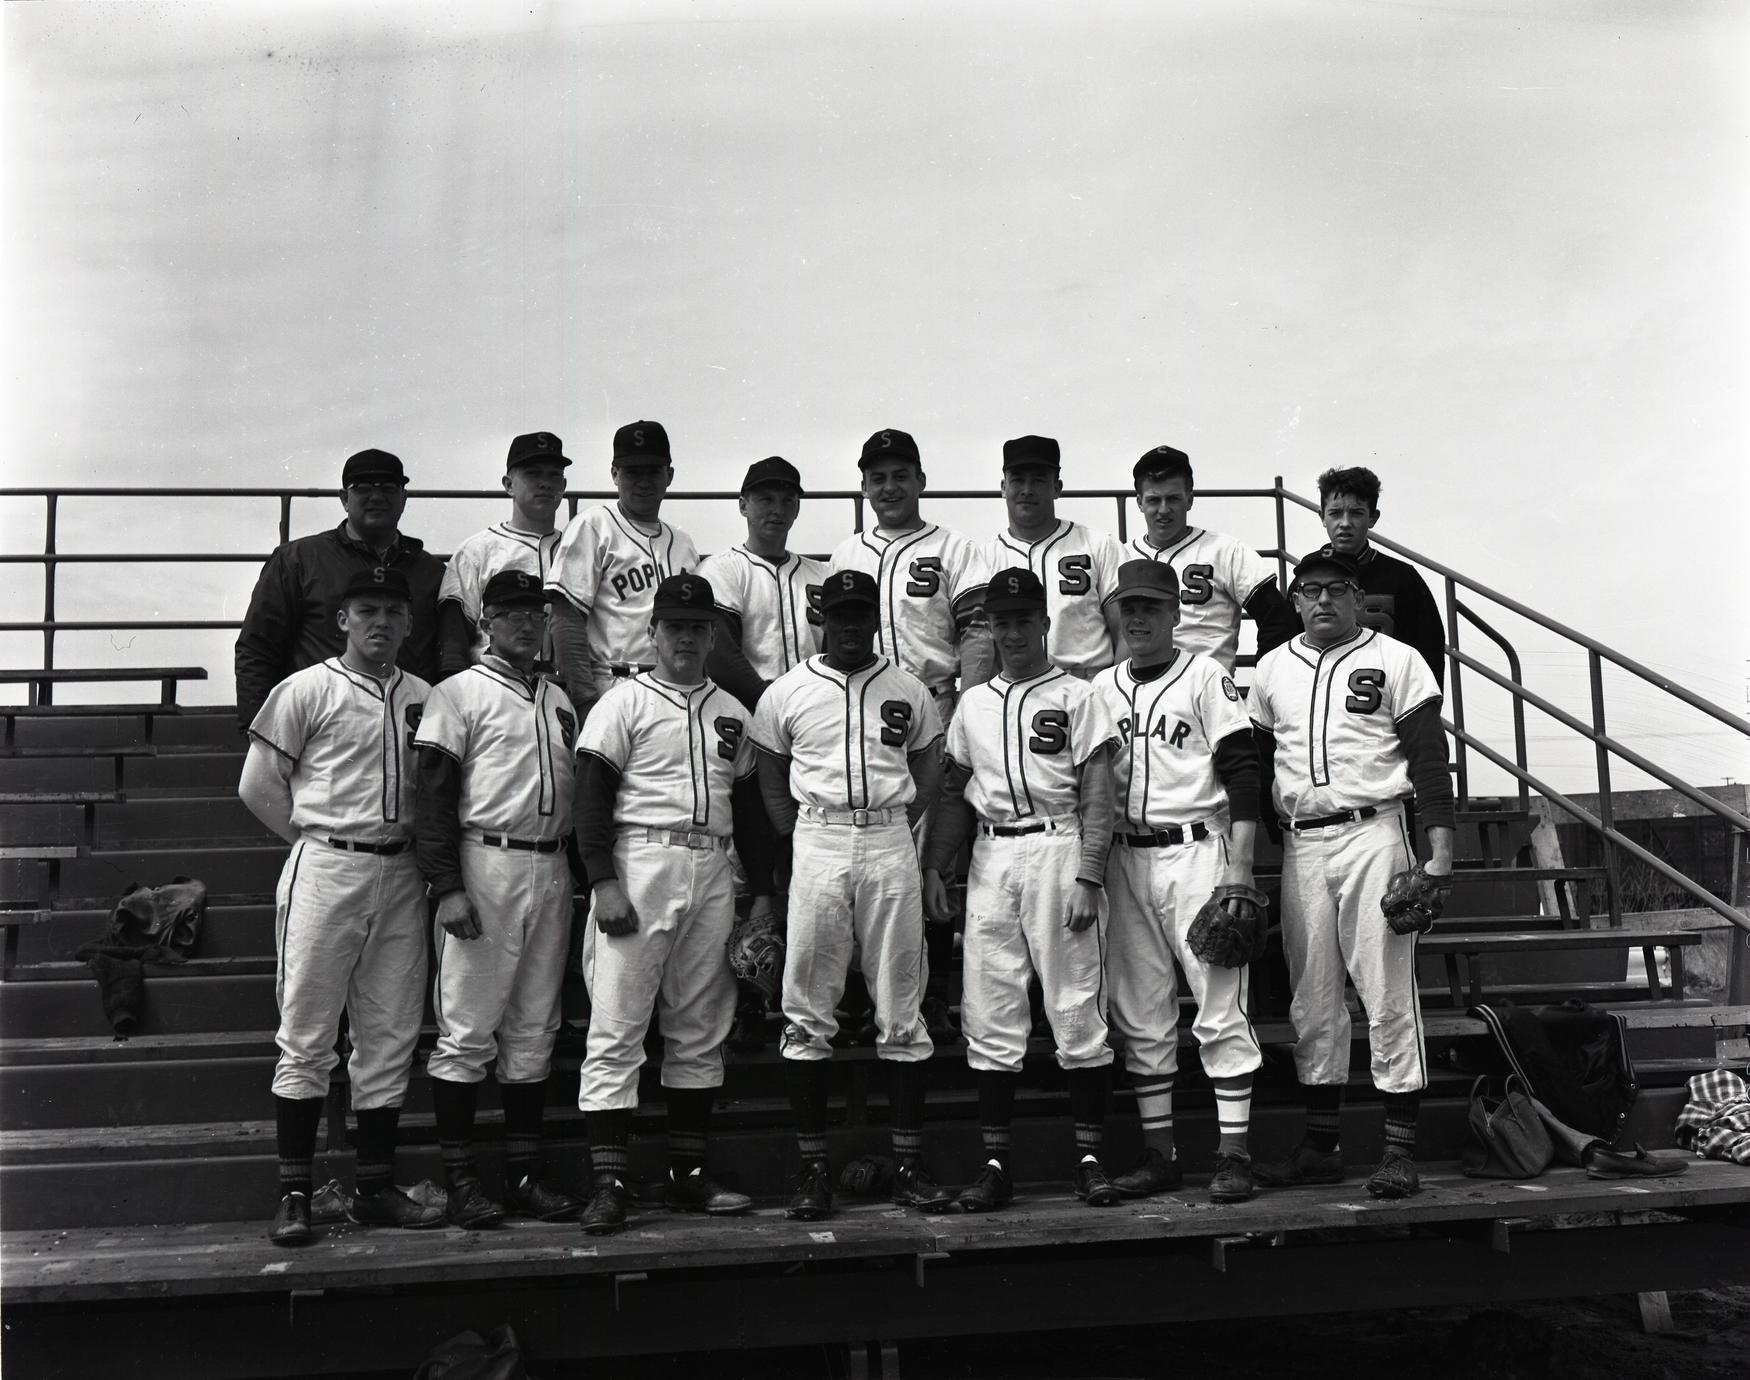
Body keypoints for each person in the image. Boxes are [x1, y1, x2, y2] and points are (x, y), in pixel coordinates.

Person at [238, 565, 441, 1245]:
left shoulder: (426, 696)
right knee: (307, 1033)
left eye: (393, 609)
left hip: (402, 869)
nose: (381, 621)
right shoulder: (306, 688)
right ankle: (294, 1193)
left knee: (387, 1038)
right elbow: (257, 786)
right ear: (342, 619)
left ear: (409, 622)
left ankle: (376, 1189)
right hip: (328, 863)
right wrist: (314, 843)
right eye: (367, 609)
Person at [572, 573, 775, 1235]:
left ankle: (687, 1177)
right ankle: (609, 1184)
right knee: (618, 1025)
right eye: (674, 627)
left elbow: (748, 815)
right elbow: (592, 800)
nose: (685, 638)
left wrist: (764, 894)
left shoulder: (732, 713)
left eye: (697, 628)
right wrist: (602, 880)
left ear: (713, 636)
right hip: (641, 862)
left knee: (700, 1024)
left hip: (713, 864)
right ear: (652, 632)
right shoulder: (623, 702)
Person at [1249, 549, 1455, 1199]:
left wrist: (1439, 853)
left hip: (1375, 831)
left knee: (1386, 988)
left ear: (1358, 597)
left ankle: (1398, 1150)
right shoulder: (1270, 670)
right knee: (1311, 998)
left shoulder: (1397, 660)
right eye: (1309, 591)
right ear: (1297, 601)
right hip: (1302, 843)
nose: (1323, 601)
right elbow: (1255, 770)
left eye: (1337, 590)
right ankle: (1320, 1145)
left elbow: (1429, 759)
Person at [750, 569, 951, 1221]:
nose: (850, 625)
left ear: (874, 618)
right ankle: (812, 1167)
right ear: (821, 620)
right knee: (807, 1007)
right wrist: (791, 832)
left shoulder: (906, 686)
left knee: (901, 1003)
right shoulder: (787, 691)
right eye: (839, 615)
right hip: (820, 837)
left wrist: (907, 813)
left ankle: (909, 1164)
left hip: (890, 837)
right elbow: (769, 767)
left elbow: (929, 758)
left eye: (860, 614)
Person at [921, 568, 1121, 1211]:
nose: (1009, 631)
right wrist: (935, 866)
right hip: (991, 854)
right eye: (996, 621)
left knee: (1075, 1008)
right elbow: (952, 792)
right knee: (991, 1010)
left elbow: (1097, 792)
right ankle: (995, 1165)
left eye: (1019, 619)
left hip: (1060, 848)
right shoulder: (973, 704)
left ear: (1044, 622)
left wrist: (1090, 873)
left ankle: (1090, 1160)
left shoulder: (1079, 693)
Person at [414, 568, 585, 1229]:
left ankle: (522, 1175)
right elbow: (432, 796)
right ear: (485, 621)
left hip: (548, 865)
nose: (524, 622)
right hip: (484, 861)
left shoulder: (560, 700)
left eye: (533, 612)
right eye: (510, 612)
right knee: (466, 1031)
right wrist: (447, 885)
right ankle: (460, 1181)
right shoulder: (456, 693)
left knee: (534, 1029)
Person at [1092, 560, 1266, 1204]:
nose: (1137, 618)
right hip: (1122, 856)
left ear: (1174, 613)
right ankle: (1159, 1154)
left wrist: (1241, 866)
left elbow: (1243, 770)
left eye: (1150, 607)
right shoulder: (1102, 688)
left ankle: (1233, 1154)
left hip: (1197, 853)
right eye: (1128, 607)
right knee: (1140, 1014)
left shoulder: (1206, 676)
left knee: (1221, 1008)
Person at [234, 448, 445, 732]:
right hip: (321, 727)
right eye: (363, 488)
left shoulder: (431, 572)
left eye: (388, 487)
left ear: (404, 499)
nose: (376, 496)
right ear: (344, 498)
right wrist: (260, 730)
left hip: (405, 729)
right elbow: (257, 648)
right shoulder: (298, 560)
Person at [828, 427, 993, 719]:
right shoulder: (846, 554)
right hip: (859, 703)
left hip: (933, 702)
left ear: (921, 481)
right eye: (878, 479)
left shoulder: (954, 547)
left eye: (900, 476)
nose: (890, 487)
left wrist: (968, 711)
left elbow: (977, 634)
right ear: (864, 488)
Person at [544, 420, 699, 719]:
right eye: (632, 472)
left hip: (676, 688)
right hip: (612, 684)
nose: (642, 481)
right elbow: (566, 620)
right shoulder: (593, 526)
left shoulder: (683, 543)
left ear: (669, 475)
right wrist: (585, 700)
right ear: (614, 474)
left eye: (652, 471)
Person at [1124, 445, 1297, 674]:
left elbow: (1277, 619)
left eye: (1173, 499)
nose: (1164, 510)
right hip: (1137, 690)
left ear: (1190, 499)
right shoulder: (1121, 556)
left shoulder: (1226, 550)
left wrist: (1262, 682)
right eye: (1154, 500)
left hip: (1207, 690)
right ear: (1139, 502)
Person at [696, 456, 829, 711]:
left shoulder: (822, 575)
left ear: (797, 509)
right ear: (743, 506)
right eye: (766, 499)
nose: (777, 510)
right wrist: (772, 707)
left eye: (787, 500)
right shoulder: (720, 570)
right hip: (746, 711)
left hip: (816, 711)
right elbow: (722, 659)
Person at [988, 436, 1126, 678]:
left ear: (1057, 488)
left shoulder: (1099, 545)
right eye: (1018, 480)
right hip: (1016, 688)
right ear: (1003, 487)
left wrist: (1114, 692)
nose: (1027, 490)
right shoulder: (985, 556)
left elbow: (1125, 632)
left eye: (1038, 481)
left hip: (1088, 680)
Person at [436, 431, 571, 679]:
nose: (545, 483)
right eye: (532, 473)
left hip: (564, 685)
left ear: (563, 486)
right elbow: (454, 636)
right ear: (509, 485)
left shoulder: (578, 548)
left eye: (554, 475)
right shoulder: (476, 550)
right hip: (493, 680)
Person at [1315, 466, 1446, 687]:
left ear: (1373, 518)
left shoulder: (1403, 579)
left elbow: (1428, 649)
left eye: (1356, 513)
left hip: (1388, 701)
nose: (1345, 523)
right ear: (1322, 517)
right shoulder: (1307, 578)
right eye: (1335, 513)